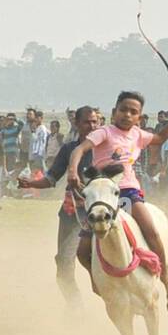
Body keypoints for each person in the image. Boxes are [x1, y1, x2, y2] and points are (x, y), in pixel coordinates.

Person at [66, 91, 168, 288]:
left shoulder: (138, 135)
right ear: (114, 111)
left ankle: (165, 276)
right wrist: (73, 171)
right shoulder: (104, 132)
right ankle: (97, 280)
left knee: (152, 232)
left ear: (139, 118)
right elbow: (79, 149)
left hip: (128, 191)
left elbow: (159, 138)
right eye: (123, 110)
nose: (127, 115)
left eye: (133, 112)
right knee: (82, 250)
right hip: (103, 194)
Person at [20, 105, 98, 306]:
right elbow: (52, 178)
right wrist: (31, 183)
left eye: (95, 122)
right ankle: (75, 306)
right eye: (87, 122)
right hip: (72, 213)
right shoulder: (69, 149)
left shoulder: (106, 149)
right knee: (63, 263)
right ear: (77, 124)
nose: (92, 125)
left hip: (101, 214)